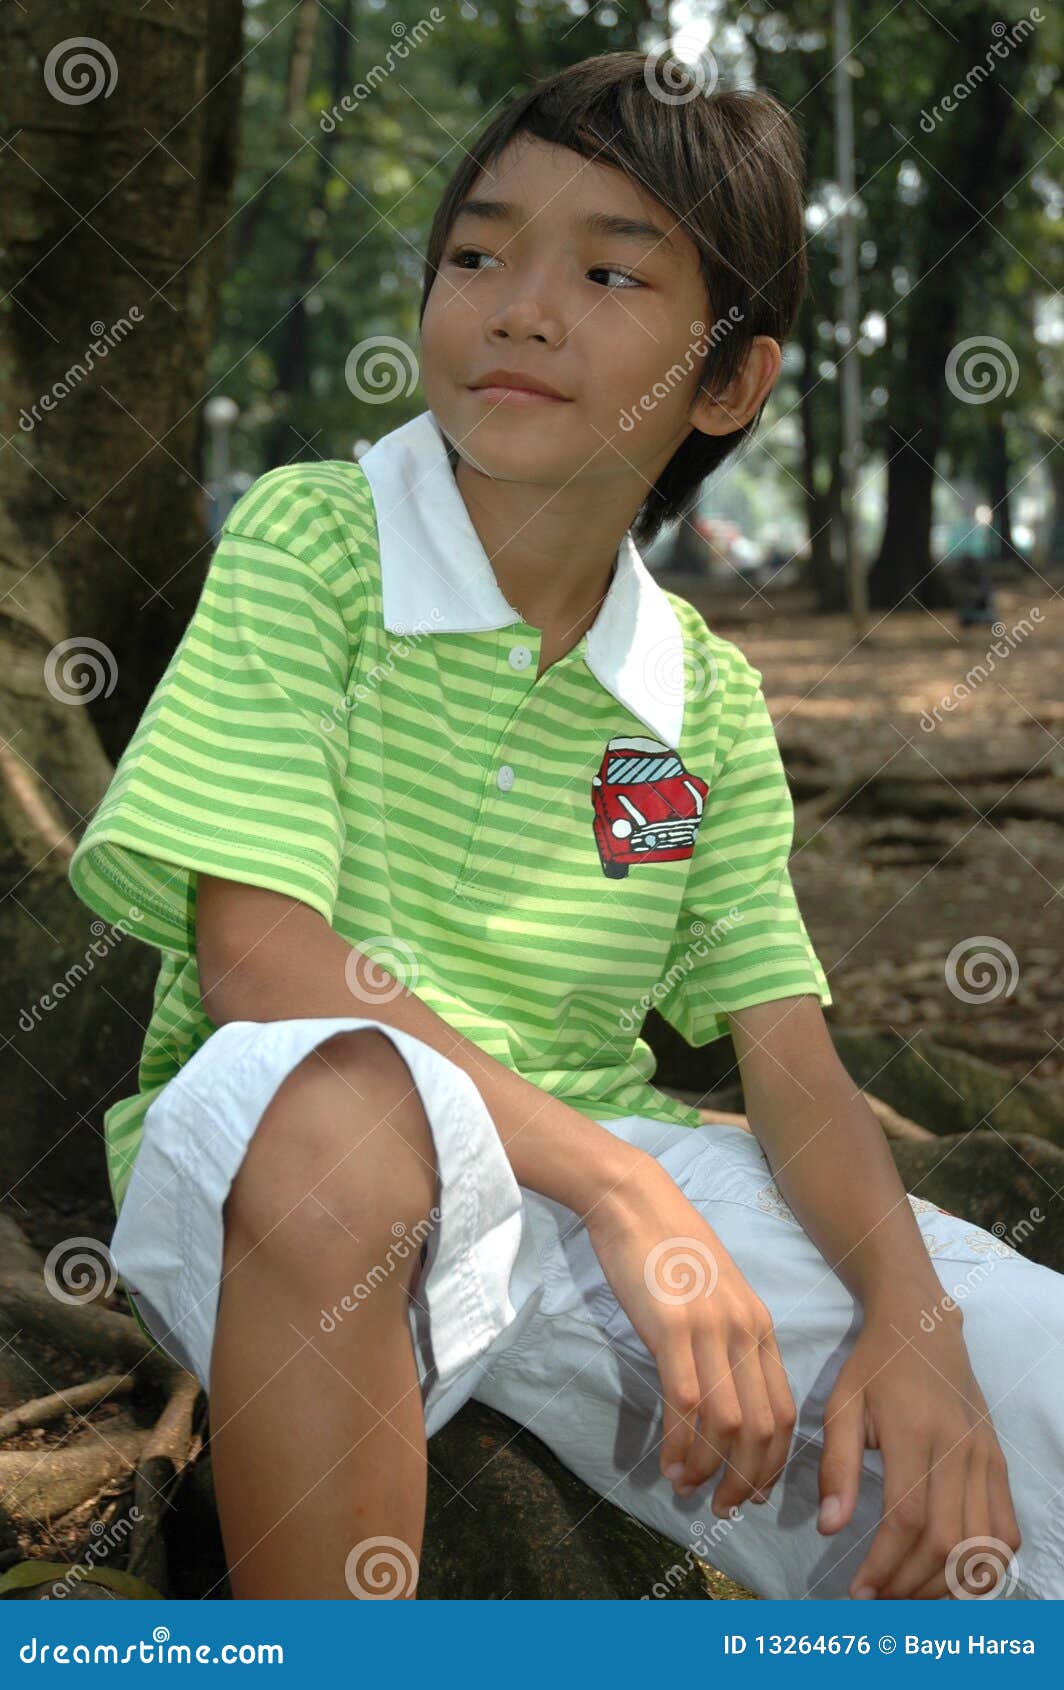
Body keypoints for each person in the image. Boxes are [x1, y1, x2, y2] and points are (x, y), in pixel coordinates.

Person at [67, 52, 1063, 1603]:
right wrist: (626, 1189)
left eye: (609, 271)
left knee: (1016, 1371)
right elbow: (262, 958)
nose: (520, 305)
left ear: (729, 383)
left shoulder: (702, 698)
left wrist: (911, 1320)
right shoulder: (317, 538)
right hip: (303, 1181)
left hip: (593, 1192)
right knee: (342, 1106)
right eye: (478, 253)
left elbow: (792, 1066)